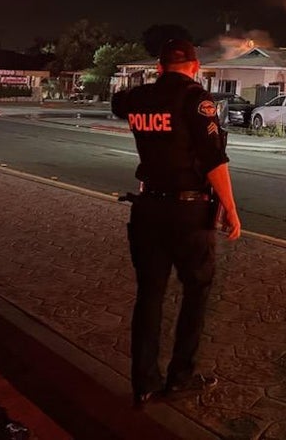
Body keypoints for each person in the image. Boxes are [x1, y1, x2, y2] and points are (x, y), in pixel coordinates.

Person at [112, 39, 242, 408]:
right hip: (188, 212)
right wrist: (230, 208)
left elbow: (118, 103)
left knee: (149, 295)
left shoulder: (139, 99)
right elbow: (214, 158)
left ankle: (144, 382)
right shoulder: (196, 100)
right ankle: (180, 376)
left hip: (148, 208)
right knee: (196, 291)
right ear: (196, 66)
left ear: (159, 67)